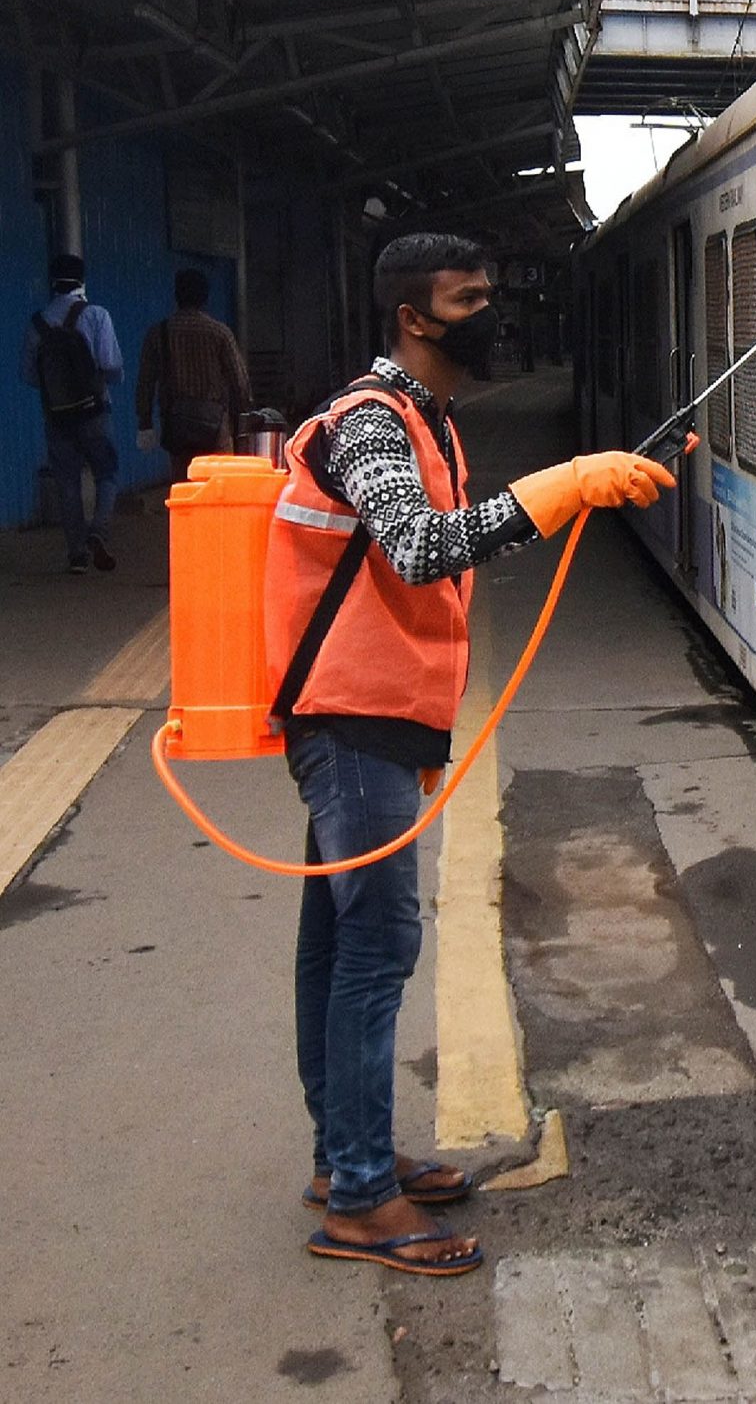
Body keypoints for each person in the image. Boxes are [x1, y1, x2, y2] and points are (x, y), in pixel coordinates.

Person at [271, 231, 673, 1278]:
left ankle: (344, 1160)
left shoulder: (423, 419)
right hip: (349, 724)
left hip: (374, 718)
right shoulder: (371, 422)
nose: (491, 311)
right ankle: (359, 1200)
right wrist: (566, 483)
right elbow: (418, 550)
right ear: (414, 317)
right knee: (375, 951)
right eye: (469, 298)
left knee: (338, 944)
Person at [20, 252, 123, 574]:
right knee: (107, 474)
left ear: (52, 282)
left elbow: (28, 376)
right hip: (94, 412)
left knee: (67, 483)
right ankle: (98, 531)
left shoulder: (38, 323)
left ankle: (76, 555)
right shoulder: (96, 315)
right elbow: (112, 366)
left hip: (57, 415)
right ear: (82, 280)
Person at [136, 266, 253, 478]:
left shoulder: (159, 333)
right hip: (215, 425)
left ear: (176, 295)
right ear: (205, 298)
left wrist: (145, 423)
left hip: (176, 424)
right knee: (219, 483)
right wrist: (244, 422)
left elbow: (145, 381)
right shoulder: (219, 332)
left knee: (183, 484)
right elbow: (240, 383)